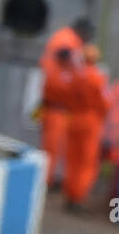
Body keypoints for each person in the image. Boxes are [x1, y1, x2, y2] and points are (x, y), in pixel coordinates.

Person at [37, 16, 92, 190]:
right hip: (56, 105)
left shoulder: (71, 40)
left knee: (60, 148)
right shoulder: (67, 38)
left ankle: (52, 179)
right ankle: (45, 182)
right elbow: (63, 53)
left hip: (62, 105)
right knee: (52, 147)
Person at [63, 43, 113, 213]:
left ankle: (70, 194)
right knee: (87, 162)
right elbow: (105, 102)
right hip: (91, 121)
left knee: (72, 159)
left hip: (74, 119)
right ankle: (78, 198)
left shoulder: (75, 75)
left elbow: (67, 95)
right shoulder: (98, 77)